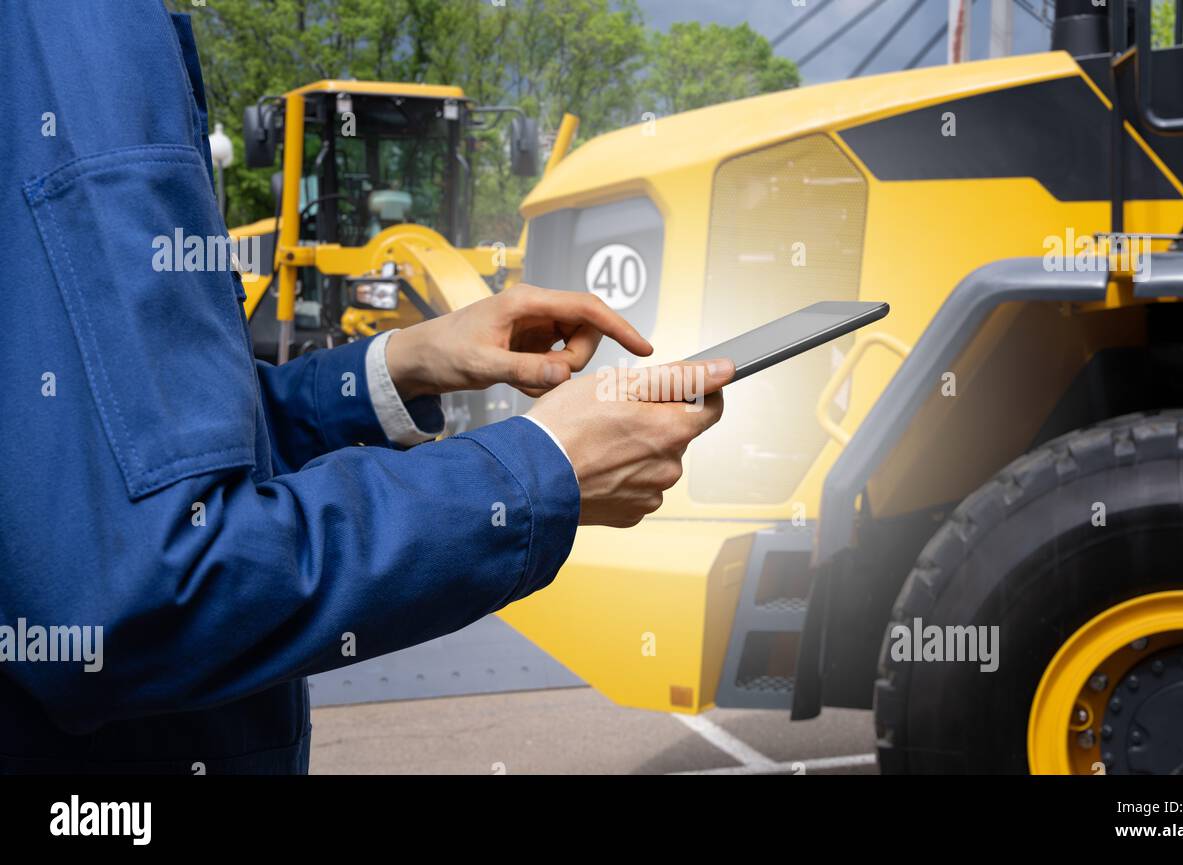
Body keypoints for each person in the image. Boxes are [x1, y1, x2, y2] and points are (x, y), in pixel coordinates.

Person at [0, 1, 730, 773]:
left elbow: (127, 457)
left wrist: (396, 366)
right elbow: (142, 587)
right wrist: (543, 469)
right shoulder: (79, 34)